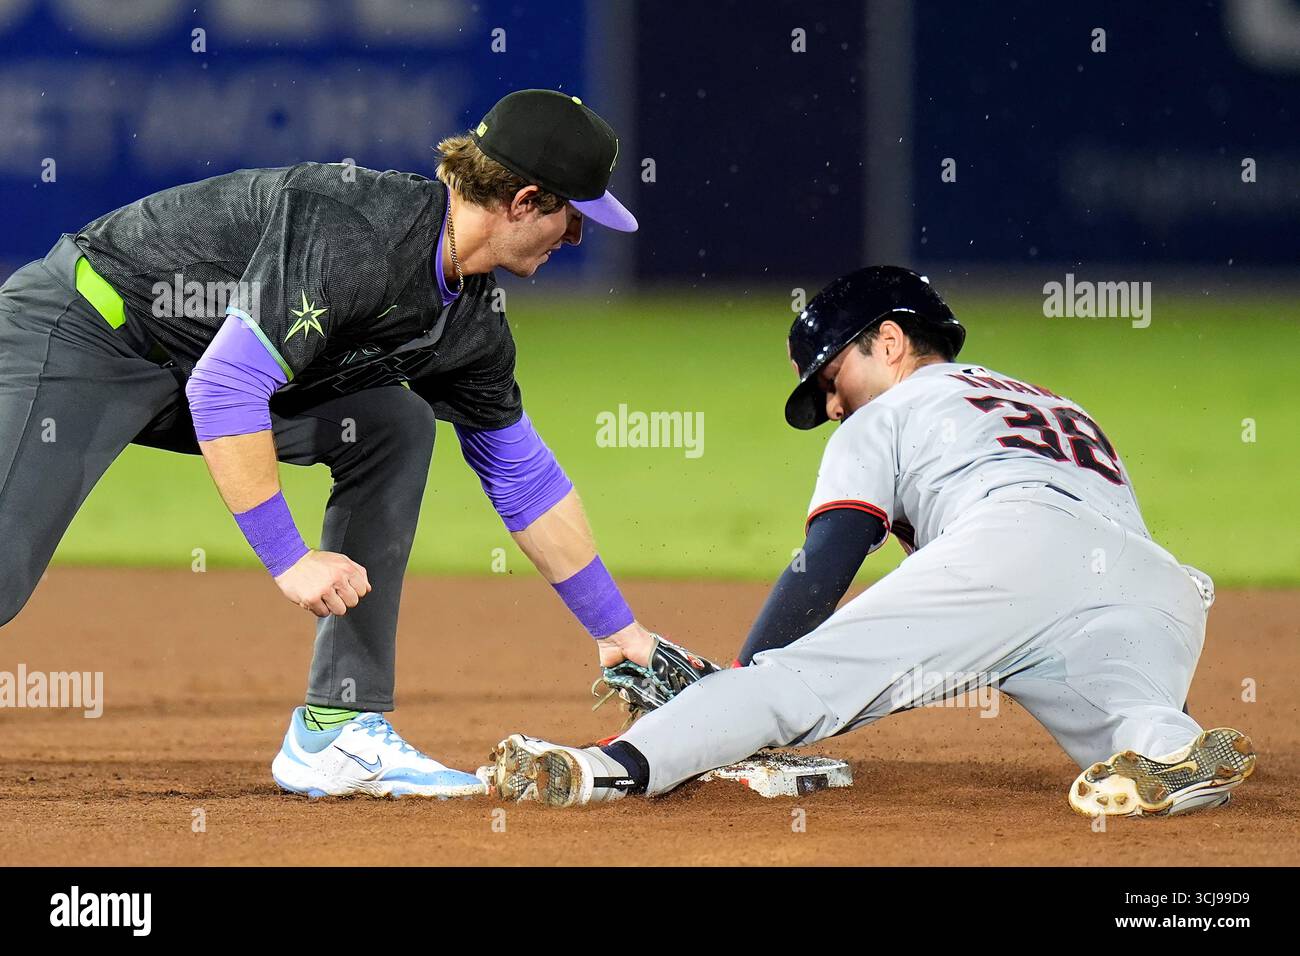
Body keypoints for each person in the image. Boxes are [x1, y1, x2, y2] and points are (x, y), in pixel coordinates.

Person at [0, 89, 661, 799]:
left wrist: (616, 628)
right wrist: (289, 557)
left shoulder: (470, 322)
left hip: (209, 371)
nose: (575, 239)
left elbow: (522, 476)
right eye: (574, 216)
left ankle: (335, 729)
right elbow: (226, 389)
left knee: (394, 425)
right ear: (526, 200)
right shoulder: (355, 231)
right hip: (88, 328)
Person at [487, 265, 1257, 818]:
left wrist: (739, 685)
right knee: (1126, 722)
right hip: (1161, 589)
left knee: (797, 686)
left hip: (1015, 549)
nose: (830, 407)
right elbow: (1100, 561)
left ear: (887, 342)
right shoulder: (1057, 406)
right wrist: (1157, 682)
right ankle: (1172, 745)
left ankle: (604, 770)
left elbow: (827, 562)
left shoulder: (891, 411)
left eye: (830, 378)